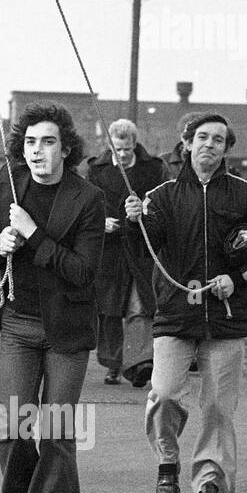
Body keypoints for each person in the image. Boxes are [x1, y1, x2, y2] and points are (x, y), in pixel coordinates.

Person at [125, 113, 247, 493]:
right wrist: (135, 220)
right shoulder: (160, 195)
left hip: (227, 318)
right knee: (163, 393)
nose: (209, 144)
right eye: (202, 137)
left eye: (218, 139)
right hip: (176, 314)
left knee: (217, 406)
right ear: (187, 143)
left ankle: (209, 484)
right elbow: (146, 248)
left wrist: (238, 278)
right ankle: (166, 462)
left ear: (226, 148)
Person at [0, 102, 105, 493]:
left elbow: (84, 271)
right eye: (29, 142)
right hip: (18, 325)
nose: (37, 151)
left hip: (67, 331)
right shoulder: (8, 183)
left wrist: (31, 234)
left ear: (66, 148)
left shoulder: (87, 198)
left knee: (57, 430)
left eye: (48, 142)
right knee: (12, 426)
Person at [85, 119, 165, 387]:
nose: (122, 154)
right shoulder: (95, 170)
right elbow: (85, 204)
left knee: (139, 305)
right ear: (110, 145)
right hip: (108, 250)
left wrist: (144, 211)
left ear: (135, 144)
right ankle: (112, 364)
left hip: (138, 246)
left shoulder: (153, 169)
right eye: (117, 149)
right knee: (108, 309)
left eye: (127, 149)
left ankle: (139, 363)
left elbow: (162, 204)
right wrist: (100, 222)